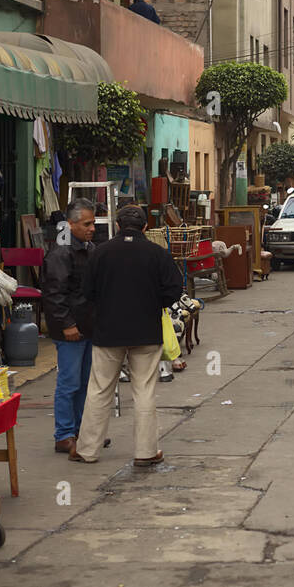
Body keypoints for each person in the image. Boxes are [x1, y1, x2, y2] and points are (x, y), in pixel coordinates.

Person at [71, 205, 184, 467]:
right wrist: (155, 303)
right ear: (145, 227)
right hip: (146, 331)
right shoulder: (157, 253)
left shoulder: (100, 253)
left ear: (118, 226)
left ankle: (87, 450)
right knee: (144, 390)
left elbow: (86, 292)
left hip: (108, 331)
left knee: (99, 390)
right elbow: (174, 289)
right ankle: (146, 452)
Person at [41, 199, 96, 454]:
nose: (92, 228)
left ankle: (81, 431)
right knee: (69, 382)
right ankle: (64, 434)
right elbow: (54, 293)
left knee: (85, 382)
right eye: (86, 224)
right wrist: (67, 324)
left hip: (86, 325)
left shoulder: (87, 248)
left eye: (93, 223)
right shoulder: (61, 252)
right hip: (71, 328)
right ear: (71, 224)